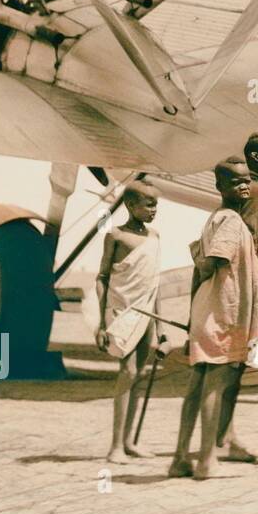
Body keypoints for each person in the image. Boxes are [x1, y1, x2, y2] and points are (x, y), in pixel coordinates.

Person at [169, 157, 258, 480]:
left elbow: (202, 271)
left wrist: (191, 315)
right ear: (220, 187)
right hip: (223, 312)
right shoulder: (230, 222)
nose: (243, 186)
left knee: (197, 384)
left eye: (246, 181)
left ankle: (180, 457)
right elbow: (210, 264)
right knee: (215, 385)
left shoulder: (216, 219)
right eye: (235, 181)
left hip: (207, 310)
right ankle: (207, 459)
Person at [216, 131, 258, 463]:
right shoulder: (256, 192)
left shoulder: (252, 190)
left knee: (231, 365)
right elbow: (248, 243)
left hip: (243, 284)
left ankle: (223, 437)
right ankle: (221, 440)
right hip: (248, 286)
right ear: (255, 158)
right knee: (232, 366)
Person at [96, 180, 162, 463]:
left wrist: (161, 329)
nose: (153, 210)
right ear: (130, 205)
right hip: (122, 312)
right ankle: (115, 447)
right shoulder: (115, 236)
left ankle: (129, 442)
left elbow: (153, 285)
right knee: (129, 373)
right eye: (148, 204)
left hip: (147, 314)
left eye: (156, 205)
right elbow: (102, 278)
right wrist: (102, 321)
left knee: (140, 375)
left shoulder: (155, 236)